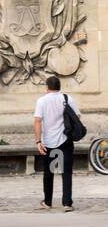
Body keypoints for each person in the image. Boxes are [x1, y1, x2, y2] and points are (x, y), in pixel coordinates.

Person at [34, 75, 81, 212]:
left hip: (48, 142)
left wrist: (38, 141)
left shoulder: (42, 101)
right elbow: (77, 116)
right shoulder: (67, 99)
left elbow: (37, 121)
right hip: (65, 140)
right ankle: (67, 203)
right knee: (66, 172)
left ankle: (48, 201)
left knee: (49, 172)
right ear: (59, 86)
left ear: (47, 87)